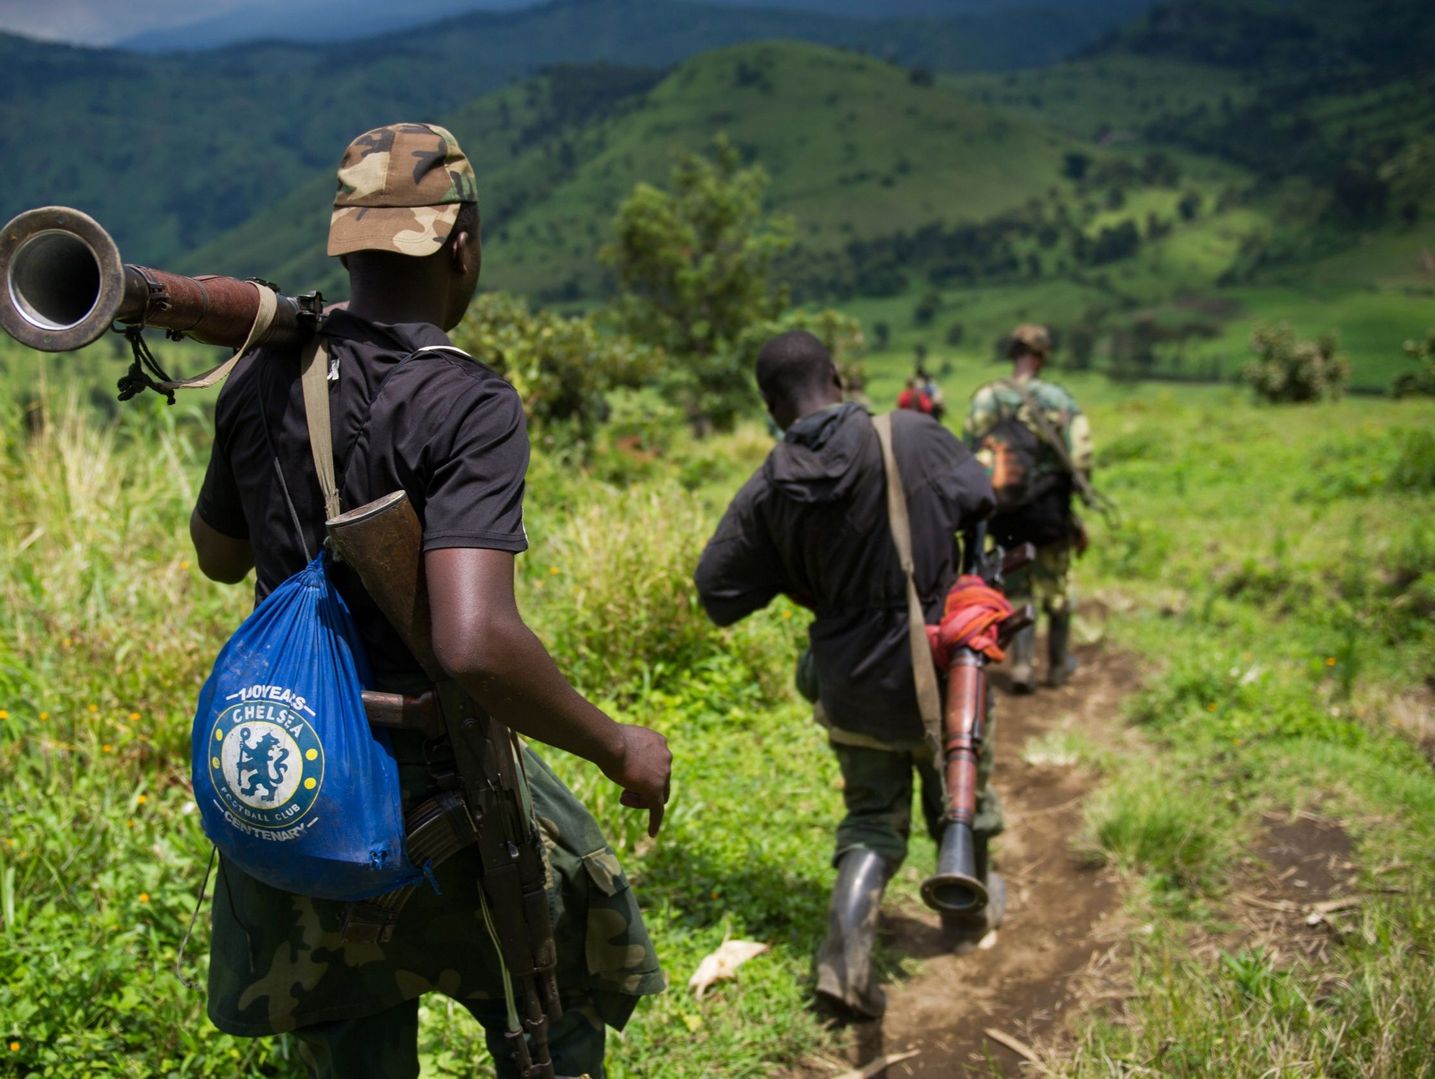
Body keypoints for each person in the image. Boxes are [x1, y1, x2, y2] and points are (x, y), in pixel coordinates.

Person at [188, 122, 670, 1078]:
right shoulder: (466, 401)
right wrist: (622, 746)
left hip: (306, 770)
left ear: (348, 244)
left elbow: (216, 553)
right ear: (463, 245)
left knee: (346, 1040)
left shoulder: (256, 378)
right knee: (564, 980)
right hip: (437, 778)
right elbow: (477, 642)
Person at [692, 330, 1003, 1021]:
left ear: (771, 405)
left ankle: (843, 966)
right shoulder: (915, 437)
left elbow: (717, 591)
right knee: (962, 784)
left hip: (850, 682)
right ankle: (968, 911)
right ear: (837, 375)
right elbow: (984, 503)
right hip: (943, 669)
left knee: (869, 821)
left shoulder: (771, 484)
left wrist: (799, 571)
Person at [963, 323, 1093, 692]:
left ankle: (1021, 666)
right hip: (1050, 507)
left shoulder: (987, 398)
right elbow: (1081, 454)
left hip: (1006, 509)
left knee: (1015, 586)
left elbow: (971, 453)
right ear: (1042, 356)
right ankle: (1056, 665)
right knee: (1056, 586)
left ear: (1012, 353)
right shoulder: (1058, 399)